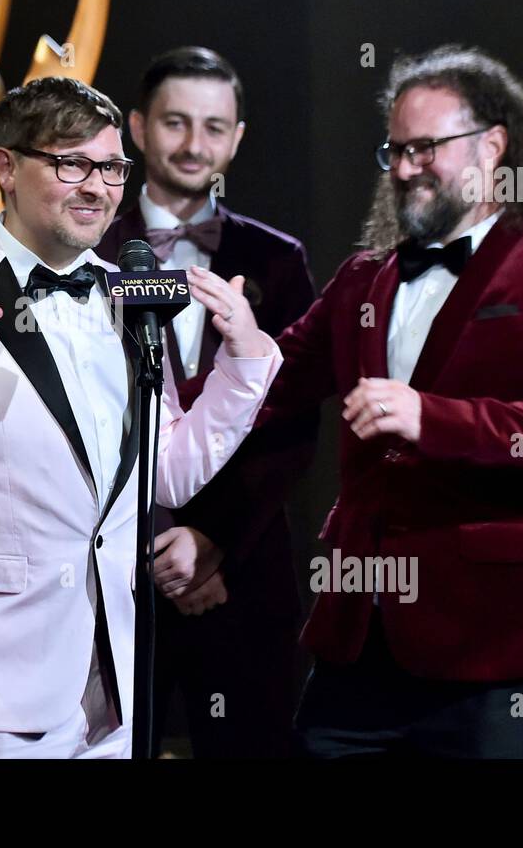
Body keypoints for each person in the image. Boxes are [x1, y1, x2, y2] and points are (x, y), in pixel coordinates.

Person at [0, 76, 282, 759]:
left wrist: (245, 364)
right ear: (7, 167)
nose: (97, 186)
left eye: (110, 167)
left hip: (113, 691)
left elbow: (164, 475)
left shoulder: (129, 294)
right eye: (71, 163)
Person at [236, 45, 523, 757]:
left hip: (496, 647)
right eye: (396, 150)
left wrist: (431, 416)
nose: (407, 166)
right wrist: (239, 347)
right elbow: (271, 393)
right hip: (358, 641)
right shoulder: (362, 278)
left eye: (427, 146)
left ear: (492, 147)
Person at [96, 47, 317, 757]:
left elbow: (291, 421)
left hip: (244, 574)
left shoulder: (279, 258)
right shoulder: (89, 249)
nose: (195, 145)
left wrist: (210, 540)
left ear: (238, 138)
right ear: (136, 127)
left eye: (215, 128)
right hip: (110, 580)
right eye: (176, 123)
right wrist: (153, 538)